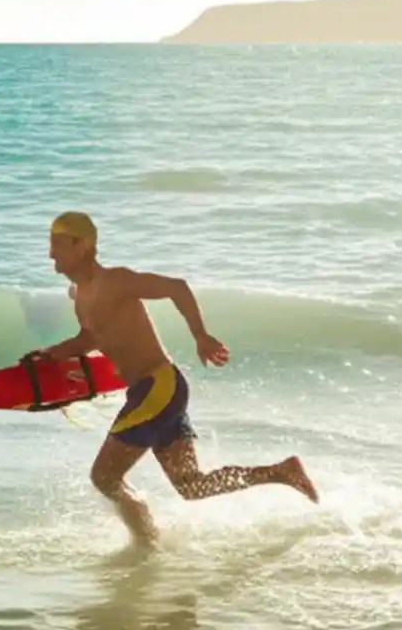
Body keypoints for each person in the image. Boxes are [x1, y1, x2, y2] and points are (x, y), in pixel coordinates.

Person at [27, 211, 318, 548]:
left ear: (82, 246)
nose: (50, 254)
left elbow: (176, 288)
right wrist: (51, 354)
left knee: (104, 477)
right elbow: (91, 339)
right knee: (192, 485)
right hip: (155, 392)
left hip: (158, 387)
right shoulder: (80, 296)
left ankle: (146, 544)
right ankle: (281, 472)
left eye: (57, 245)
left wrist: (201, 336)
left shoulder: (116, 282)